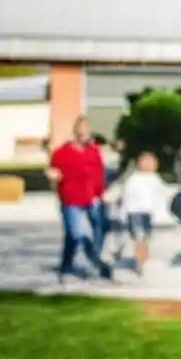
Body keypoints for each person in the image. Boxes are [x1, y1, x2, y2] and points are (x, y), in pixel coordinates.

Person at [46, 117, 112, 282]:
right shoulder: (62, 153)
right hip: (71, 198)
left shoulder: (93, 151)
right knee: (74, 235)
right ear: (75, 132)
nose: (85, 135)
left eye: (87, 131)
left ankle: (95, 261)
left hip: (92, 198)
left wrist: (101, 193)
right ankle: (68, 265)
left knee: (100, 228)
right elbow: (53, 171)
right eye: (81, 131)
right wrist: (53, 177)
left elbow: (99, 173)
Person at [115, 151, 170, 276]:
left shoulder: (154, 178)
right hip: (134, 211)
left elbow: (164, 191)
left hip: (147, 212)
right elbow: (125, 194)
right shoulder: (133, 178)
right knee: (139, 237)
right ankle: (139, 264)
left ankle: (141, 260)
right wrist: (122, 208)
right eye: (145, 161)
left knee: (145, 238)